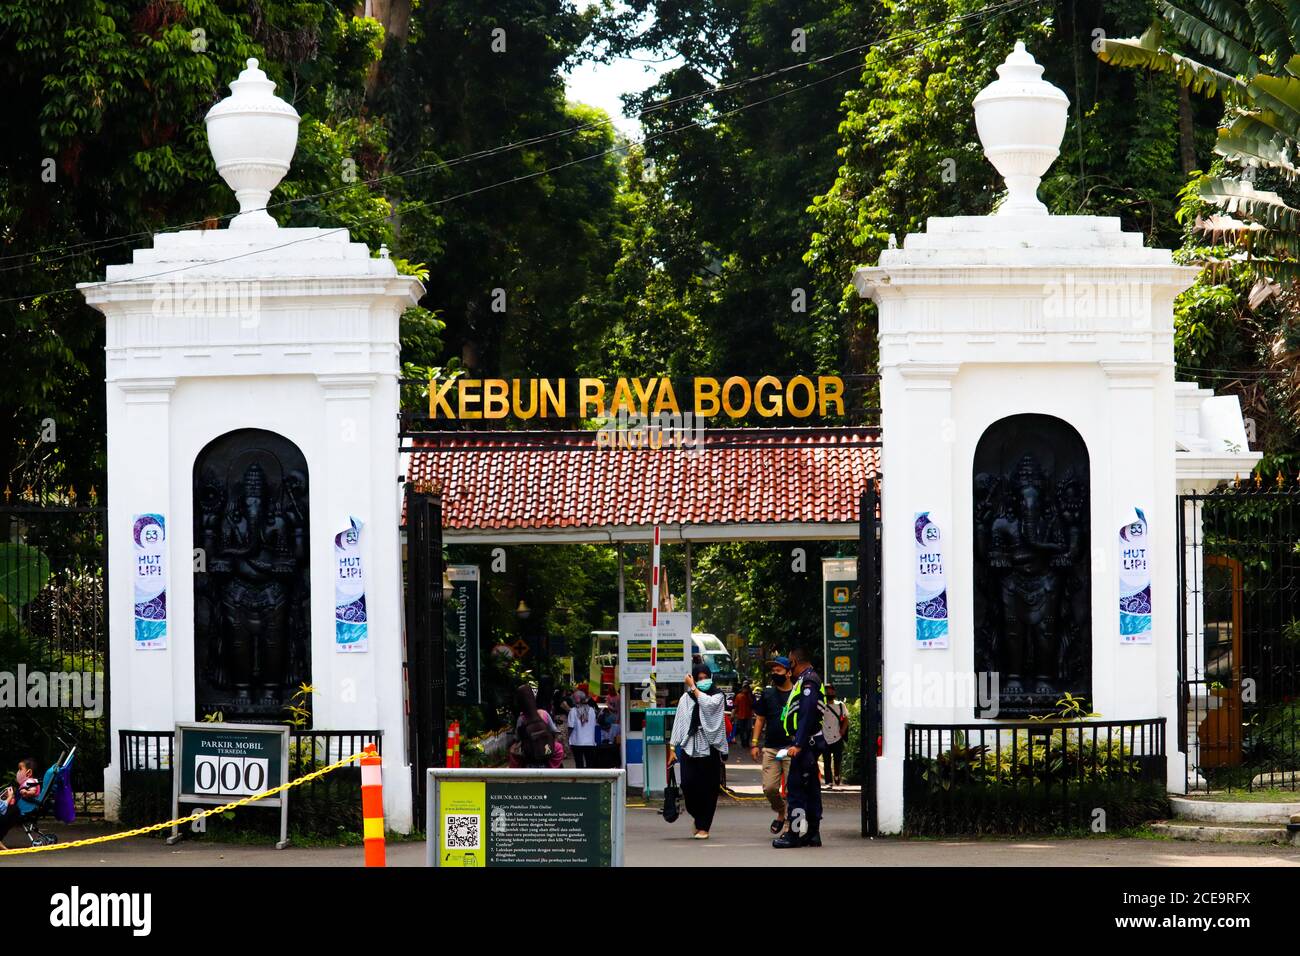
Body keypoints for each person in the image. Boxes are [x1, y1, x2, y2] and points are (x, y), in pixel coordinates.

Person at [772, 646, 825, 849]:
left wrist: (798, 743)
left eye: (790, 663)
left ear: (795, 661)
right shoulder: (805, 679)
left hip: (806, 744)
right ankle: (813, 834)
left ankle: (794, 834)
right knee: (811, 789)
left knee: (795, 790)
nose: (789, 668)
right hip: (808, 743)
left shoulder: (809, 680)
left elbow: (807, 714)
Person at [667, 663, 728, 838]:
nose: (702, 681)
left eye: (705, 678)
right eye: (698, 678)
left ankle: (704, 827)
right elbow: (679, 722)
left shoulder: (717, 696)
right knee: (688, 785)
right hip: (689, 747)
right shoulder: (685, 699)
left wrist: (693, 687)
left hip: (710, 747)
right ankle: (697, 816)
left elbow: (707, 705)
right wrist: (672, 748)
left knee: (709, 789)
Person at [751, 656, 794, 835]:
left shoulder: (797, 693)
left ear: (789, 673)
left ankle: (789, 825)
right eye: (773, 671)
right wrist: (754, 743)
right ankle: (781, 811)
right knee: (769, 788)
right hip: (771, 747)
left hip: (792, 747)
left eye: (779, 671)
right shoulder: (768, 694)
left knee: (793, 789)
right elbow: (760, 719)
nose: (775, 674)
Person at [510, 685, 565, 769]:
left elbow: (517, 737)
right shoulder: (543, 713)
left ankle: (515, 775)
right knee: (559, 747)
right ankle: (553, 767)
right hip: (546, 747)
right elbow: (554, 731)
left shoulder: (521, 718)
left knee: (512, 751)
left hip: (528, 750)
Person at [0, 757, 42, 846]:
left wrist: (26, 792)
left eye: (20, 769)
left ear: (29, 772)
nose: (18, 772)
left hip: (24, 808)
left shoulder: (30, 781)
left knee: (5, 814)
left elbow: (33, 791)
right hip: (23, 806)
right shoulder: (27, 782)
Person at [822, 685, 850, 790]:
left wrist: (843, 729)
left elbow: (846, 719)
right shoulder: (822, 706)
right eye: (827, 692)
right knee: (826, 761)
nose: (829, 694)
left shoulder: (840, 705)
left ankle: (837, 775)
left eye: (831, 692)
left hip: (837, 736)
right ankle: (828, 782)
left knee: (837, 760)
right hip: (825, 737)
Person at [567, 689, 599, 767]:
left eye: (573, 698)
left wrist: (568, 738)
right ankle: (589, 778)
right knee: (590, 764)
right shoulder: (591, 710)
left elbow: (570, 727)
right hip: (590, 742)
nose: (572, 699)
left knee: (579, 764)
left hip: (577, 742)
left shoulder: (573, 711)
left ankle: (580, 778)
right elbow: (594, 725)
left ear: (577, 699)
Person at [731, 681, 754, 763]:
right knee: (741, 730)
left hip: (748, 716)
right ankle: (744, 743)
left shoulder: (750, 696)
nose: (745, 689)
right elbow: (736, 706)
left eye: (746, 688)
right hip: (740, 716)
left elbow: (752, 705)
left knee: (748, 730)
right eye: (744, 688)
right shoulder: (739, 696)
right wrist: (733, 715)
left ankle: (746, 742)